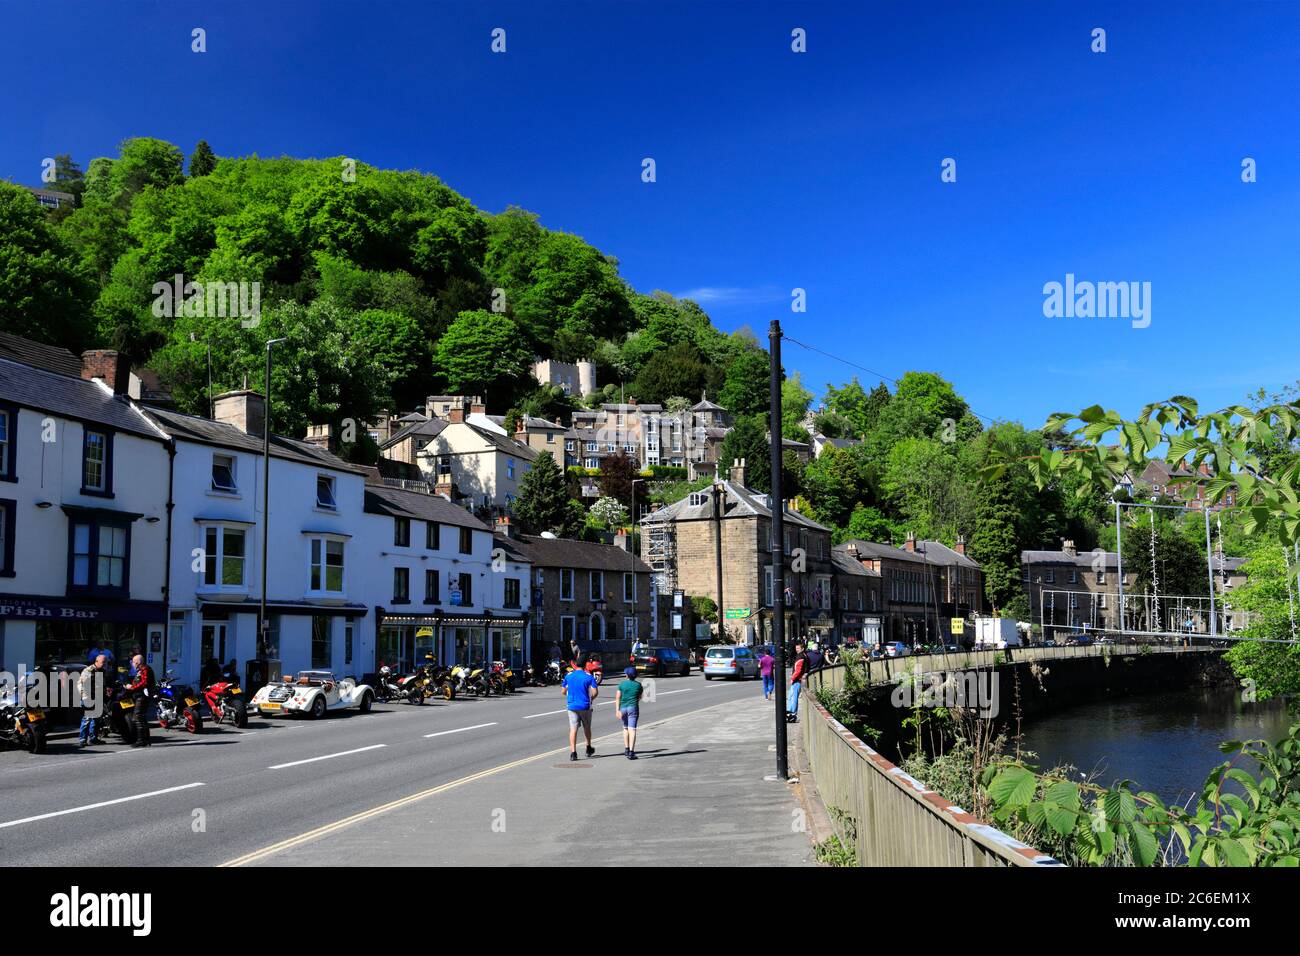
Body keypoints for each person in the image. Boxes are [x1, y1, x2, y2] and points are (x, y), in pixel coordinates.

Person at [562, 659, 599, 761]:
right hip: (585, 706)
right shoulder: (589, 677)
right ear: (585, 665)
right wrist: (591, 699)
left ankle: (573, 753)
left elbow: (563, 691)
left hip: (572, 706)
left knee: (573, 729)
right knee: (587, 727)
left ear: (575, 665)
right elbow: (595, 692)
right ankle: (588, 748)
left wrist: (571, 696)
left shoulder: (568, 676)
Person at [119, 653, 154, 747]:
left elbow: (144, 682)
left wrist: (132, 688)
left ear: (137, 662)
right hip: (139, 696)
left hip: (142, 696)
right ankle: (146, 740)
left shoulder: (145, 669)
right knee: (141, 717)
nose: (133, 664)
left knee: (138, 717)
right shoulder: (140, 670)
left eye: (133, 662)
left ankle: (141, 740)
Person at [614, 666, 644, 759]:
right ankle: (631, 752)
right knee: (632, 729)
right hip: (633, 707)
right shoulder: (638, 685)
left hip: (623, 708)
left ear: (627, 675)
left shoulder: (622, 684)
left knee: (625, 728)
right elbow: (640, 697)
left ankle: (626, 749)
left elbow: (618, 697)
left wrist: (617, 710)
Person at [77, 655, 106, 748]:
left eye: (106, 662)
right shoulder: (88, 671)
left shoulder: (102, 671)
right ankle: (82, 740)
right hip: (88, 697)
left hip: (97, 697)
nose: (105, 664)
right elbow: (85, 686)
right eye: (103, 662)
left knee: (96, 719)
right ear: (96, 661)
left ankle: (93, 738)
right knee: (87, 719)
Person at [787, 642, 808, 722]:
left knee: (793, 697)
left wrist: (792, 678)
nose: (796, 650)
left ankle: (792, 714)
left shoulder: (800, 657)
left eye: (798, 648)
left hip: (797, 680)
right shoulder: (805, 655)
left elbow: (798, 670)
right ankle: (791, 713)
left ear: (802, 648)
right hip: (799, 679)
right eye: (796, 648)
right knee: (792, 696)